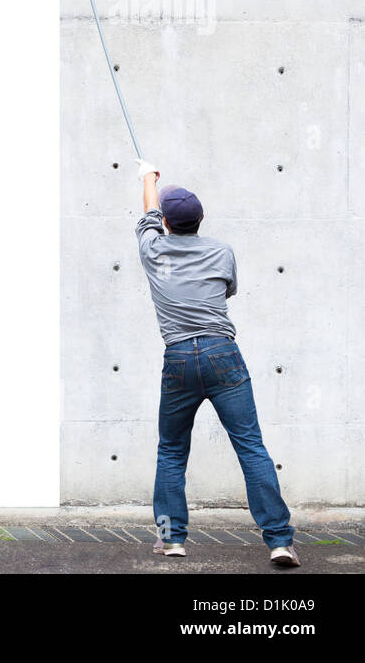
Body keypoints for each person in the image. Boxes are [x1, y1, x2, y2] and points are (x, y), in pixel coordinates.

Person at [133, 159, 299, 568]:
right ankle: (279, 542)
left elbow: (148, 214)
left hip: (178, 360)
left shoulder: (153, 250)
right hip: (222, 353)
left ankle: (172, 540)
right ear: (201, 218)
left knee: (172, 450)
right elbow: (227, 291)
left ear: (166, 224)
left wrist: (148, 177)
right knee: (251, 447)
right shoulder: (222, 252)